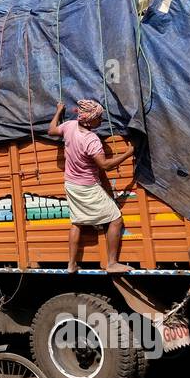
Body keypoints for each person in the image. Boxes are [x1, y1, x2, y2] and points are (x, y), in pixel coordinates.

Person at [49, 100, 135, 274]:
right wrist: (128, 153)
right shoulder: (91, 140)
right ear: (89, 121)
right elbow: (105, 165)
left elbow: (51, 130)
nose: (101, 121)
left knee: (77, 222)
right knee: (116, 218)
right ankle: (111, 263)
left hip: (71, 184)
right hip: (87, 187)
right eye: (99, 118)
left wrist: (58, 111)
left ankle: (71, 264)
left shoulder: (69, 126)